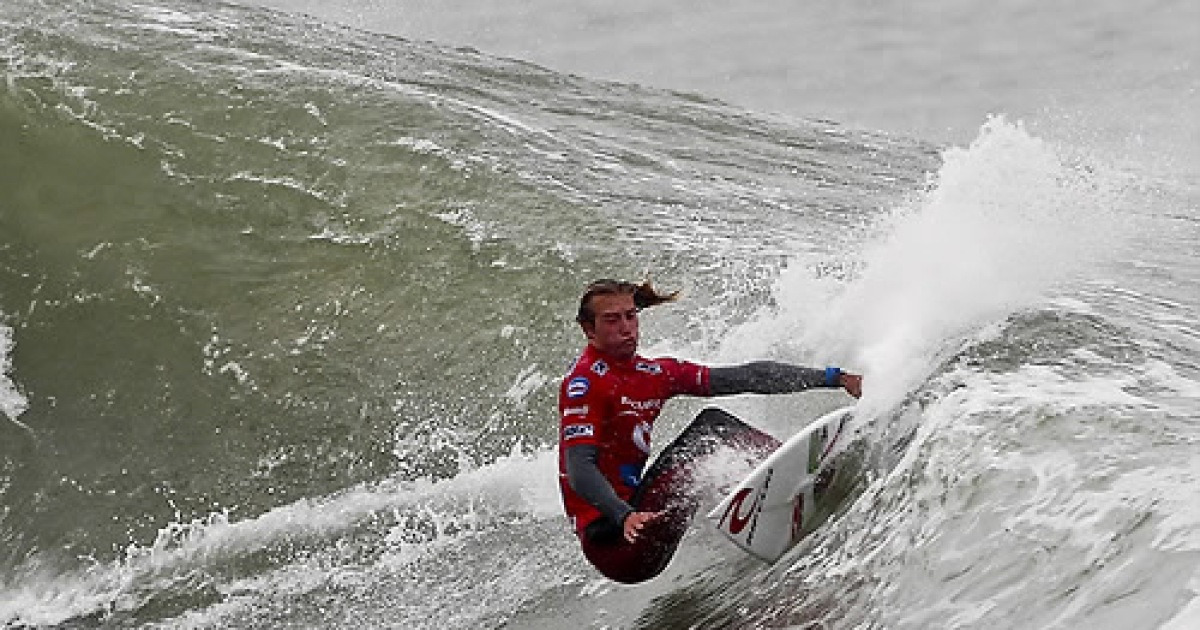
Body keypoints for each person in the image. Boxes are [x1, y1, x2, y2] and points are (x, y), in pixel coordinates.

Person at [558, 279, 862, 584]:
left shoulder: (653, 373)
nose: (626, 328)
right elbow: (578, 469)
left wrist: (835, 378)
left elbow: (748, 376)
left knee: (707, 448)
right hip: (618, 542)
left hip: (646, 522)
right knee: (709, 430)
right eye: (612, 320)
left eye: (631, 316)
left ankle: (772, 496)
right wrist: (624, 515)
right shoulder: (585, 383)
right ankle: (802, 476)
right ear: (589, 329)